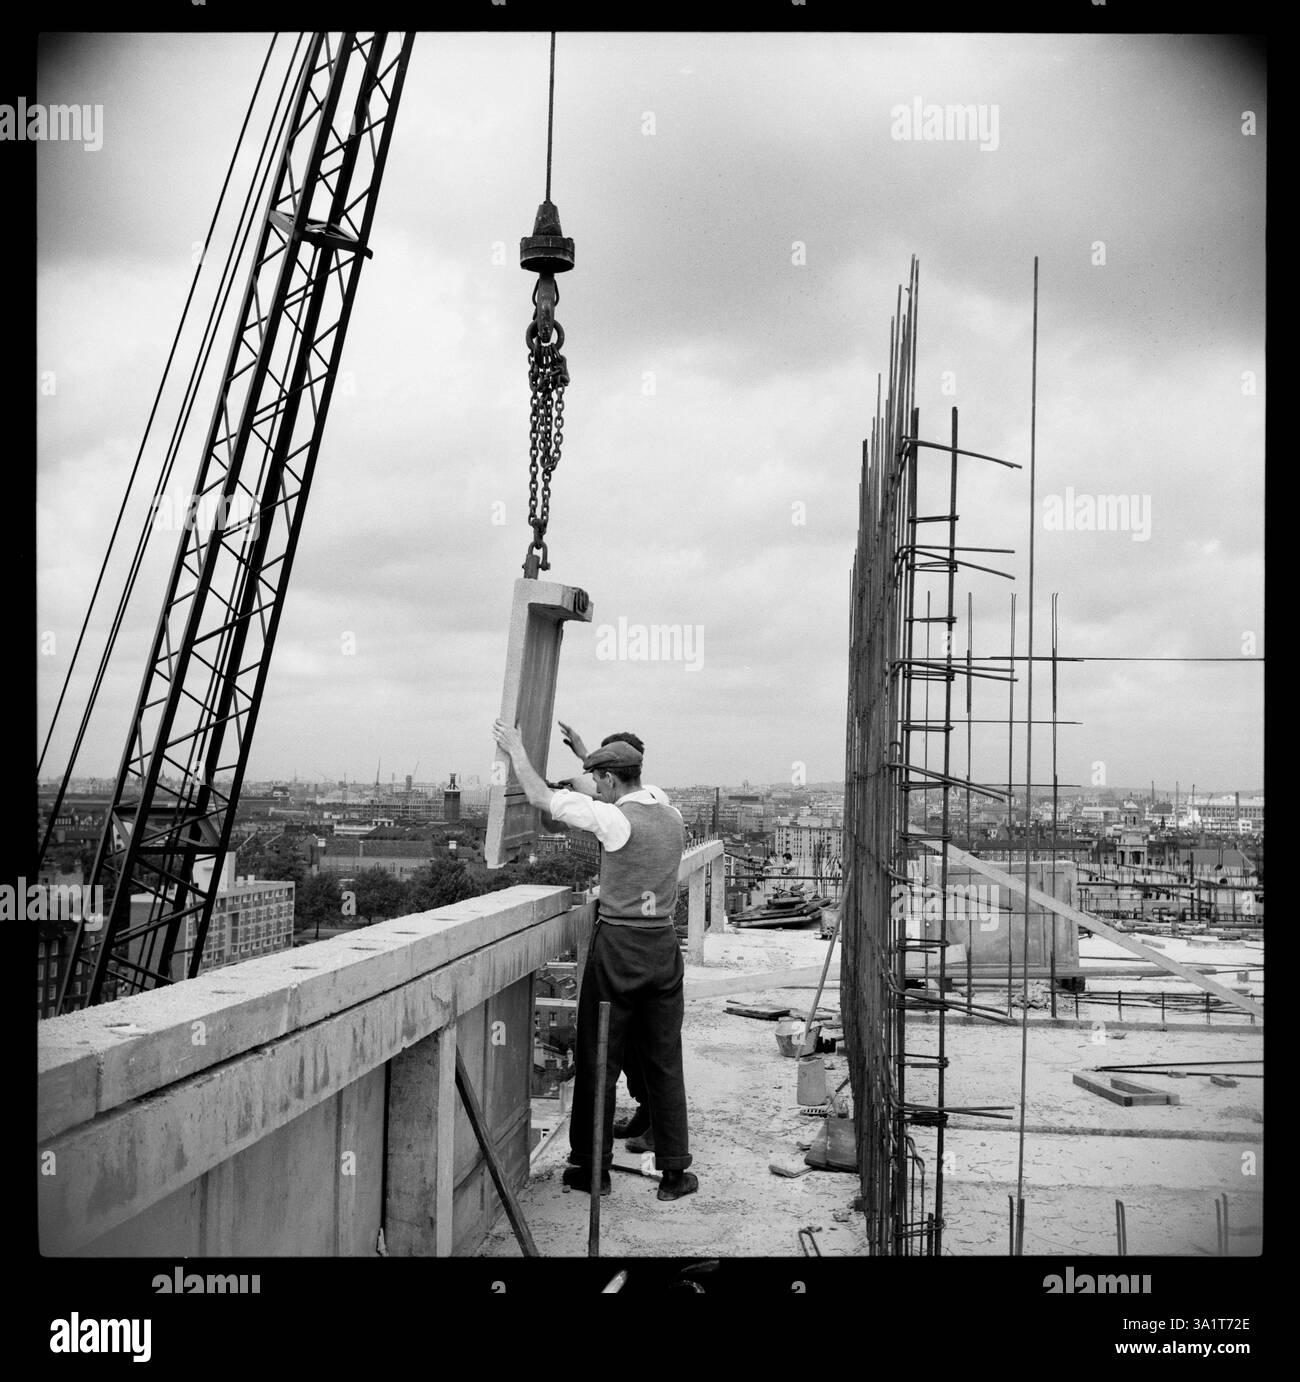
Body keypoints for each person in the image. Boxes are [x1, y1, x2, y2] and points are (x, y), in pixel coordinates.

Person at [492, 719, 697, 1201]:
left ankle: (592, 1169)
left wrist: (516, 749)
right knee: (664, 1061)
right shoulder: (669, 811)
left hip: (620, 948)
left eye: (599, 780)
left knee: (599, 1056)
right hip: (664, 948)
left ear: (608, 781)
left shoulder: (614, 821)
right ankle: (673, 1174)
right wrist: (588, 753)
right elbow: (607, 783)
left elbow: (543, 798)